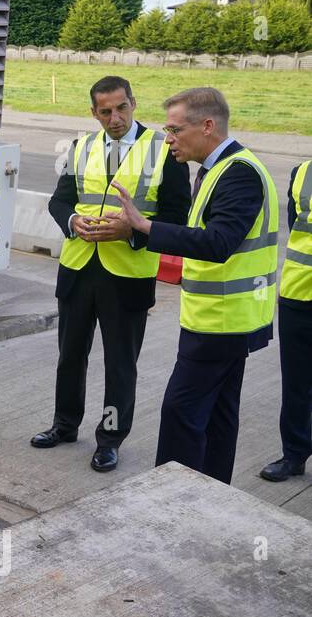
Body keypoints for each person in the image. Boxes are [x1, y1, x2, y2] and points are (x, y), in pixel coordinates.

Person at [105, 87, 279, 484]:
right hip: (224, 320)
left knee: (181, 416)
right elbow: (197, 234)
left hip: (221, 324)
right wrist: (139, 233)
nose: (168, 139)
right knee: (218, 417)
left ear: (207, 125)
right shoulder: (219, 168)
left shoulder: (239, 174)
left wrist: (145, 227)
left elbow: (218, 243)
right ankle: (213, 496)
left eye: (174, 130)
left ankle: (171, 503)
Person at [31, 76, 190, 472]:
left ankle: (110, 439)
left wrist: (133, 231)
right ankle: (65, 425)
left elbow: (176, 217)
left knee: (120, 363)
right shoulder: (80, 147)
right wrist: (71, 221)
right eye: (105, 111)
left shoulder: (163, 150)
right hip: (78, 268)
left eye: (121, 108)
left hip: (128, 275)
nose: (114, 117)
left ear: (133, 103)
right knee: (70, 356)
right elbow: (59, 201)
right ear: (94, 112)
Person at [259, 157, 312, 482]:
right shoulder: (302, 172)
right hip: (297, 295)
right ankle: (293, 454)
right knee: (296, 384)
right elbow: (297, 229)